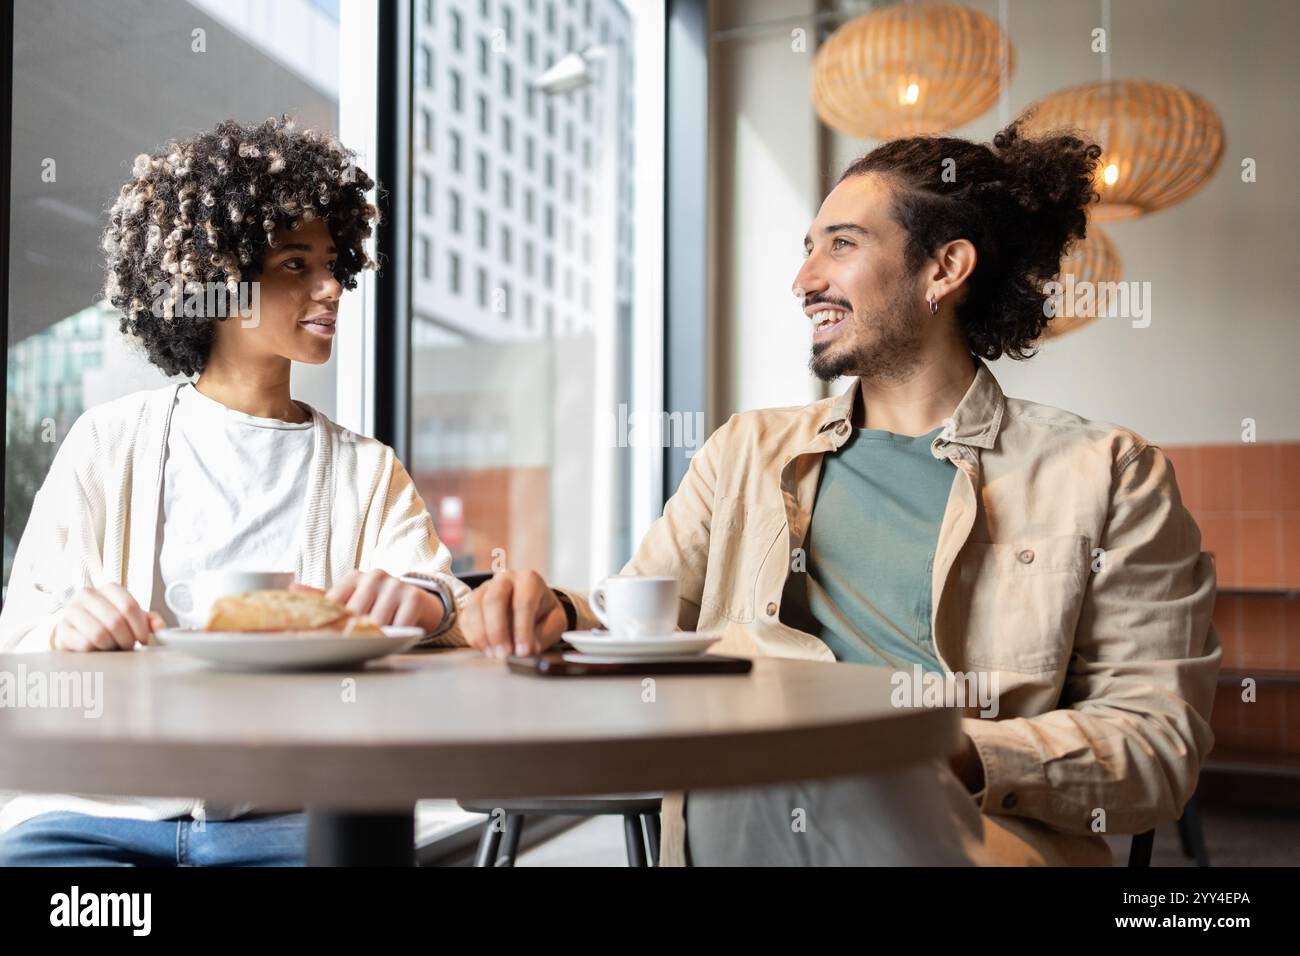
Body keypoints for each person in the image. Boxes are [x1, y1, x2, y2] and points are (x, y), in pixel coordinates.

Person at [456, 121, 1221, 866]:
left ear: (944, 269)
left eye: (841, 245)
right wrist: (553, 610)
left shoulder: (1109, 472)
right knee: (760, 761)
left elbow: (1157, 743)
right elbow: (635, 622)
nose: (804, 280)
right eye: (807, 250)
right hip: (750, 814)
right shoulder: (743, 453)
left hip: (966, 829)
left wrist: (935, 750)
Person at [0, 116, 469, 866]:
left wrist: (422, 598)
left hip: (289, 817)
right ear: (217, 281)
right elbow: (13, 659)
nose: (330, 288)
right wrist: (62, 634)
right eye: (293, 264)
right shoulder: (106, 442)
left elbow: (445, 600)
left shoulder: (366, 469)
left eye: (333, 262)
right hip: (93, 814)